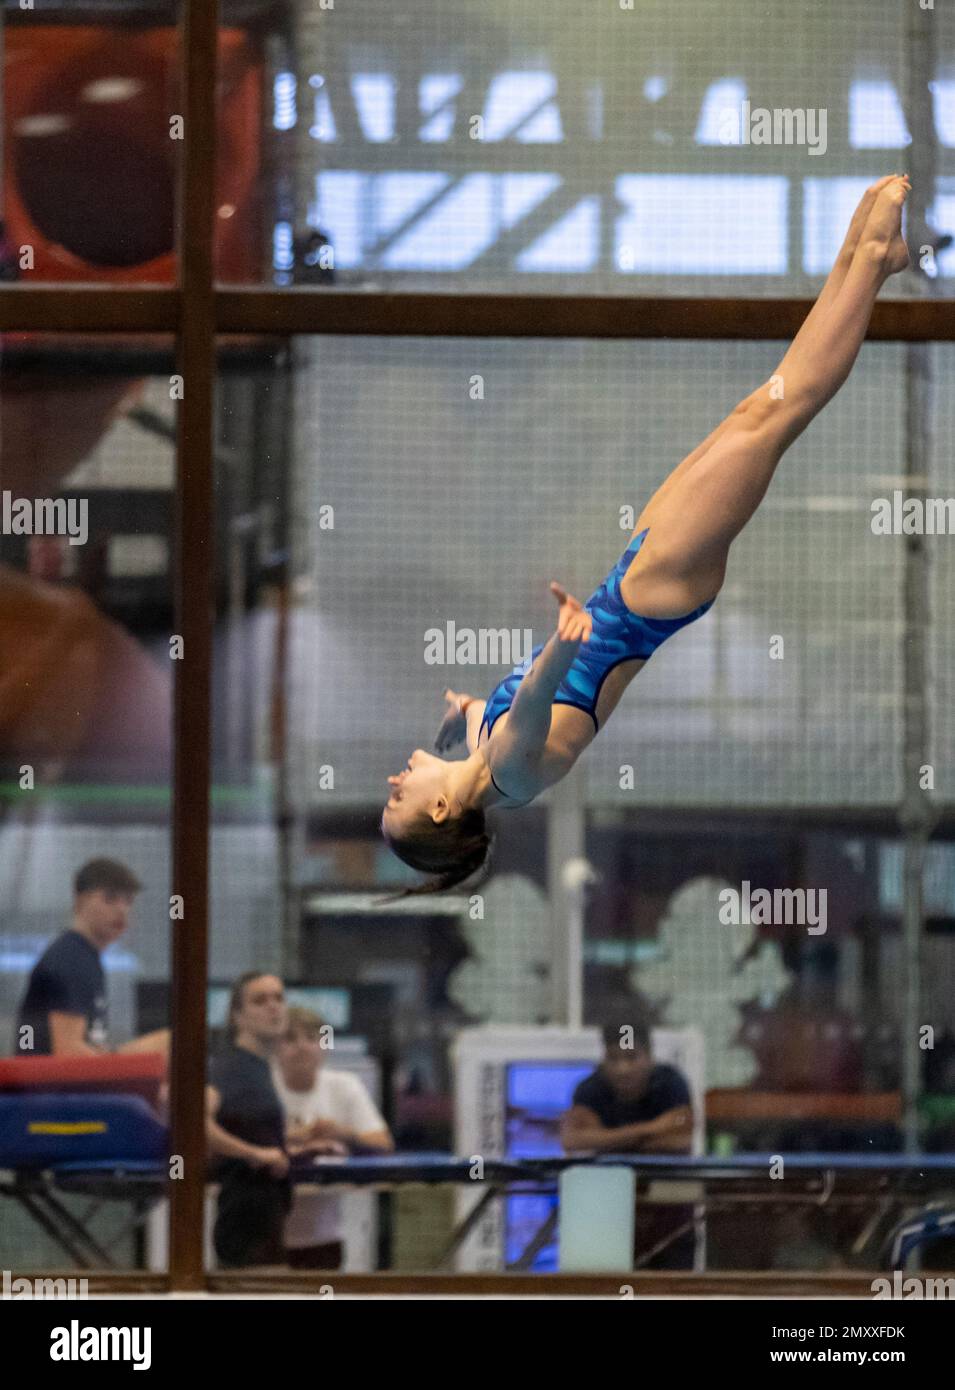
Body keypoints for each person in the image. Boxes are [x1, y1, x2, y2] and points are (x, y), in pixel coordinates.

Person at [379, 175, 912, 898]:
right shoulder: (510, 770)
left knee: (761, 409)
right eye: (397, 800)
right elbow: (530, 710)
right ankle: (871, 258)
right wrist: (561, 646)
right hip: (649, 597)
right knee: (778, 413)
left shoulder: (483, 762)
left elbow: (488, 716)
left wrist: (459, 711)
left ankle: (871, 258)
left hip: (635, 580)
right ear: (442, 810)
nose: (391, 782)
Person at [561, 1019, 695, 1270]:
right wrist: (650, 1130)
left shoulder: (670, 1083)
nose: (623, 1069)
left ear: (650, 1057)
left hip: (668, 1214)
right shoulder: (590, 1089)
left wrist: (607, 1140)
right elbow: (574, 1141)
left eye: (632, 1057)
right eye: (614, 1058)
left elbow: (682, 1137)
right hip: (607, 1212)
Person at [273, 1006, 393, 1270]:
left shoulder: (344, 1086)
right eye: (291, 1039)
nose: (302, 1047)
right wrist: (297, 1138)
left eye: (311, 1038)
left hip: (322, 1234)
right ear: (275, 1048)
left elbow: (382, 1144)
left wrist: (341, 1133)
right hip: (263, 1234)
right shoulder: (262, 1087)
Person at [15, 857, 170, 1058]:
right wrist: (125, 1058)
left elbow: (81, 1047)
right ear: (80, 901)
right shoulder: (71, 958)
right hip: (50, 1088)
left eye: (128, 901)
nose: (122, 909)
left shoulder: (85, 957)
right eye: (110, 898)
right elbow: (68, 1054)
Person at [206, 972, 292, 1269]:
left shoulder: (259, 1068)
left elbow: (250, 1129)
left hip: (267, 1221)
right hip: (244, 1220)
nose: (273, 1007)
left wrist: (301, 1140)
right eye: (260, 1000)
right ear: (237, 1017)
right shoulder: (231, 1066)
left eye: (279, 998)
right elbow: (193, 1123)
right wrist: (253, 1154)